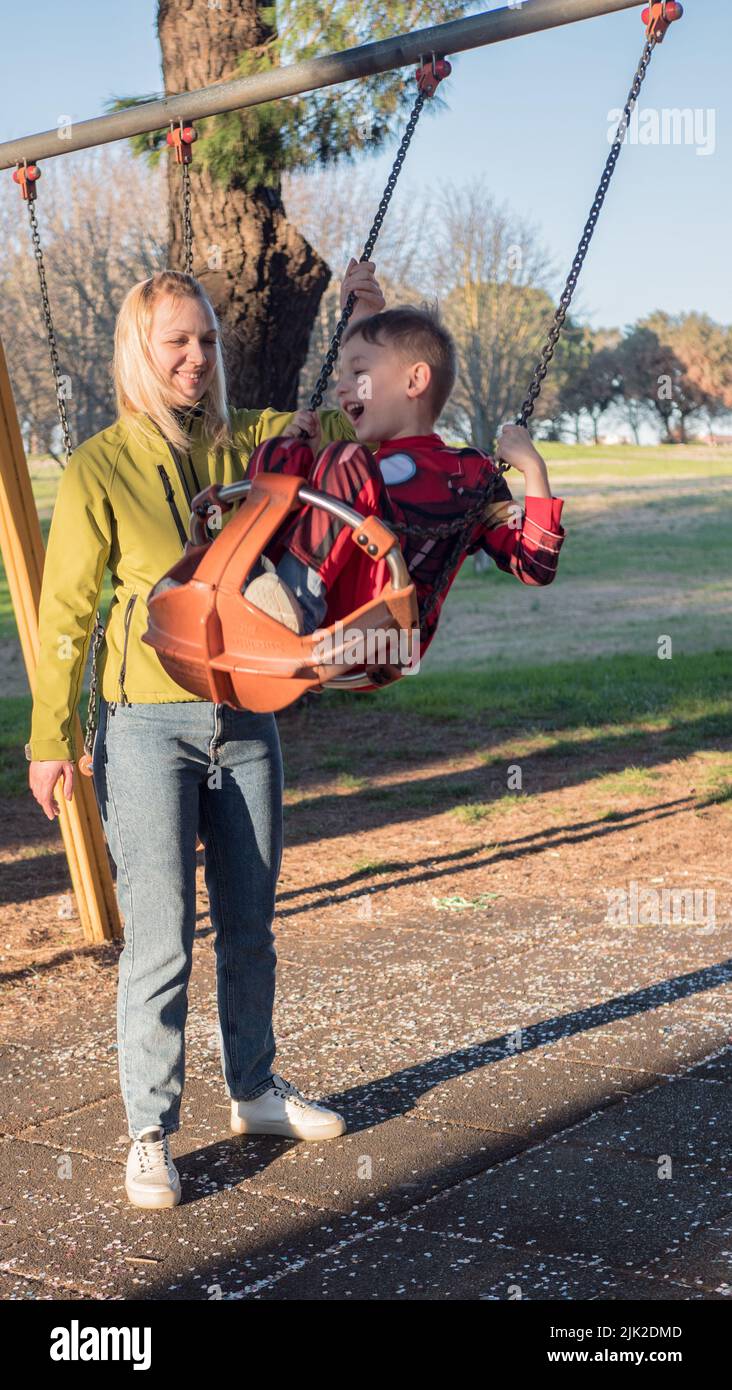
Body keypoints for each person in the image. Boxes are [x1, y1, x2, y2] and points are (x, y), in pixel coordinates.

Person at [26, 261, 383, 1210]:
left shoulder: (258, 442)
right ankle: (149, 1128)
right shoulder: (102, 465)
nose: (196, 358)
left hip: (248, 709)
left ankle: (255, 1090)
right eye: (176, 342)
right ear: (141, 353)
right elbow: (65, 612)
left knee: (251, 920)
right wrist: (51, 737)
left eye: (208, 341)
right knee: (161, 937)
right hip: (146, 722)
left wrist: (367, 320)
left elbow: (360, 421)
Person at [240, 303, 567, 672]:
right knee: (282, 453)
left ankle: (290, 609)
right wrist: (310, 466)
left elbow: (536, 566)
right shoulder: (360, 469)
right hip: (336, 603)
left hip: (382, 632)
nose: (342, 387)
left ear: (414, 381)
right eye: (340, 378)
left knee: (344, 457)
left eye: (358, 373)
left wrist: (533, 469)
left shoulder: (468, 474)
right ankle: (235, 580)